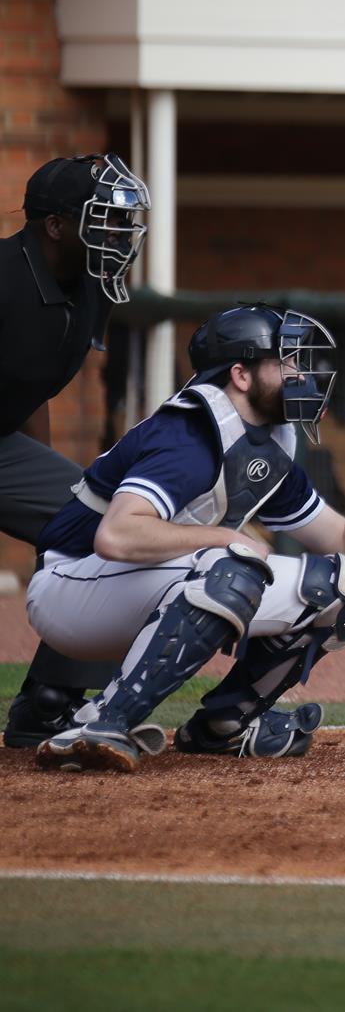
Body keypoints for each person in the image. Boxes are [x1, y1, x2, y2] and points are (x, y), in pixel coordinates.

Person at [26, 305, 345, 771]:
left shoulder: (269, 442)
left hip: (143, 588)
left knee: (339, 586)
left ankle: (226, 722)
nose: (301, 372)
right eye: (286, 361)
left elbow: (341, 536)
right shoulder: (192, 432)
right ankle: (103, 721)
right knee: (233, 563)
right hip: (74, 585)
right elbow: (117, 534)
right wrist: (220, 540)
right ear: (240, 375)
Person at [1, 154, 149, 749]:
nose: (118, 234)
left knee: (99, 523)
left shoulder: (92, 288)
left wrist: (64, 500)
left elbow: (28, 387)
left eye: (123, 221)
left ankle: (50, 702)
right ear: (56, 226)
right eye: (104, 219)